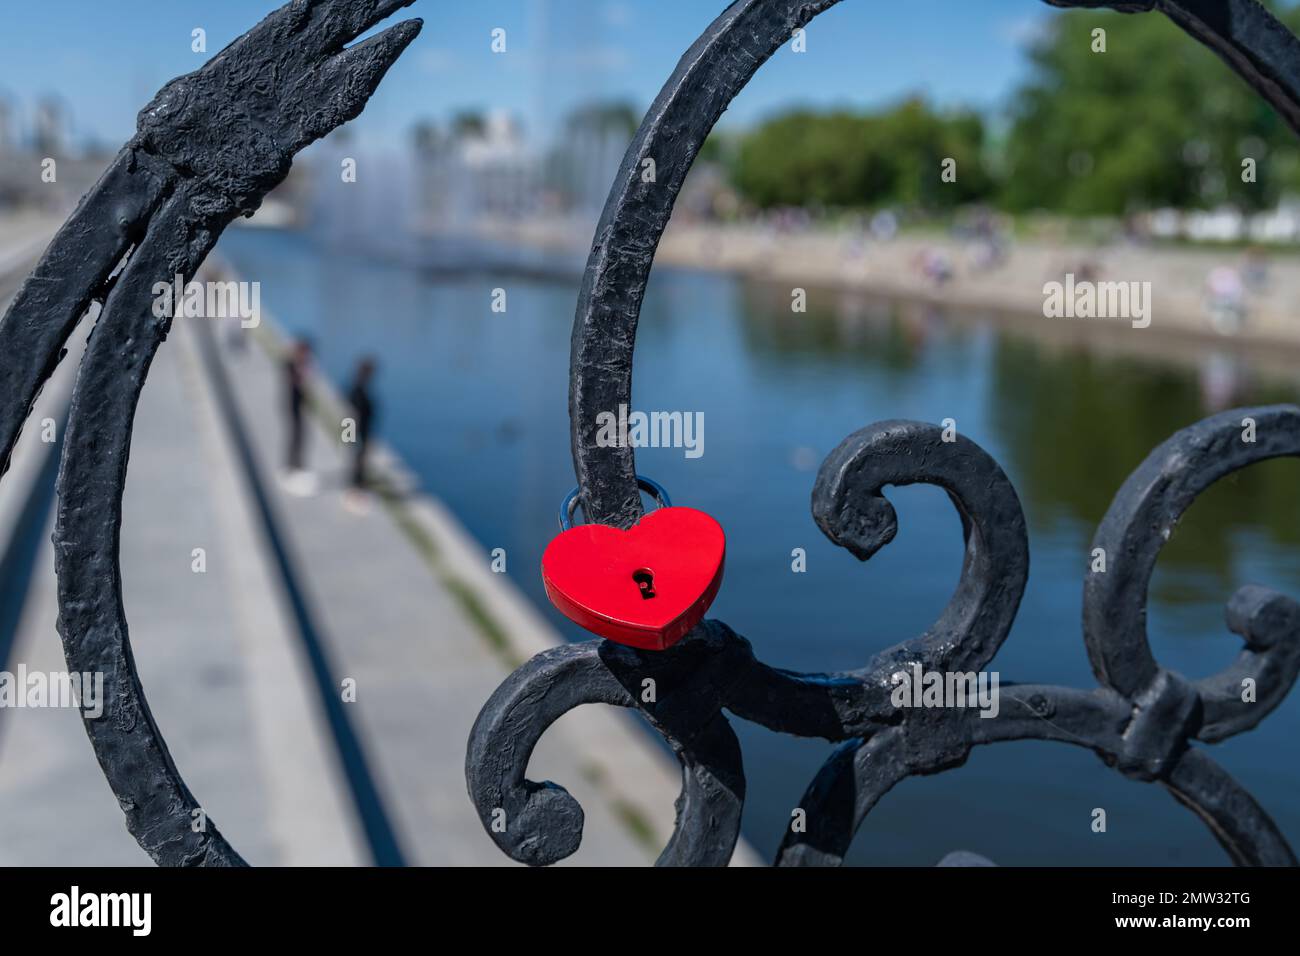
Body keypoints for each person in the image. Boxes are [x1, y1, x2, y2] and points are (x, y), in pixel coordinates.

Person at [282, 338, 317, 496]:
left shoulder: (299, 364)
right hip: (293, 405)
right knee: (296, 436)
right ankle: (292, 467)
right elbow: (296, 383)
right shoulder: (291, 365)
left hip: (300, 406)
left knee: (300, 436)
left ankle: (297, 465)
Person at [347, 356, 377, 493]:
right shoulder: (359, 389)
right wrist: (349, 436)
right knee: (358, 459)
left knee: (359, 459)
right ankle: (355, 486)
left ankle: (358, 484)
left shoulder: (359, 387)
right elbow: (353, 413)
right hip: (359, 431)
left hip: (361, 430)